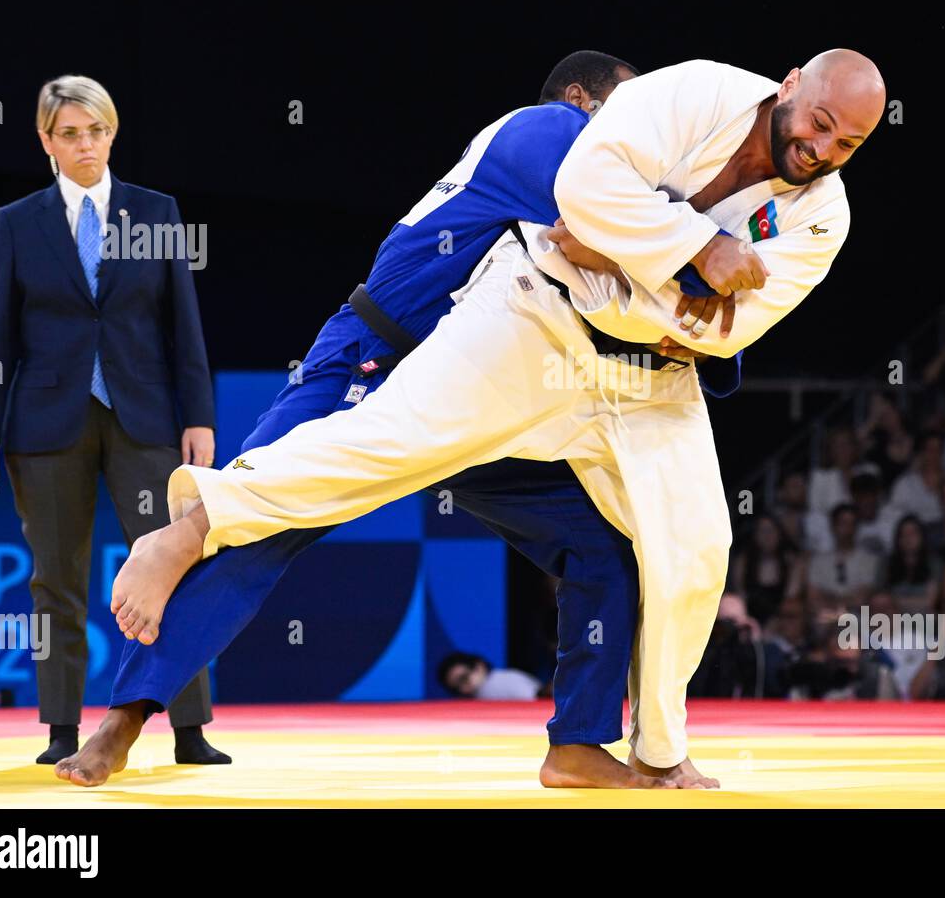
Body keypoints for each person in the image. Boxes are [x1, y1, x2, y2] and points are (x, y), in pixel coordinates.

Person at [63, 50, 886, 788]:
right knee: (293, 504)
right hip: (409, 353)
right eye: (625, 117)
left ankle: (594, 743)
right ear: (583, 103)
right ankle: (129, 700)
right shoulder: (550, 136)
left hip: (567, 382)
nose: (651, 150)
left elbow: (710, 314)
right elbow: (583, 220)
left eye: (847, 142)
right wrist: (694, 254)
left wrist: (651, 252)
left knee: (623, 546)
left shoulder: (799, 206)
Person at [0, 74, 225, 767]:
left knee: (172, 567)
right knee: (55, 578)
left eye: (98, 131)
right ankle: (59, 731)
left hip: (144, 416)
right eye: (71, 134)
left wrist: (198, 418)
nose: (87, 146)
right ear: (46, 140)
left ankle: (190, 729)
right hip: (45, 424)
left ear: (113, 133)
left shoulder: (157, 212)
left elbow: (184, 327)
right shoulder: (17, 222)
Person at [438, 652, 542, 700]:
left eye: (463, 678)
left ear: (479, 666)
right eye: (456, 688)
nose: (463, 689)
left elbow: (536, 699)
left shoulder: (499, 681)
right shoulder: (480, 695)